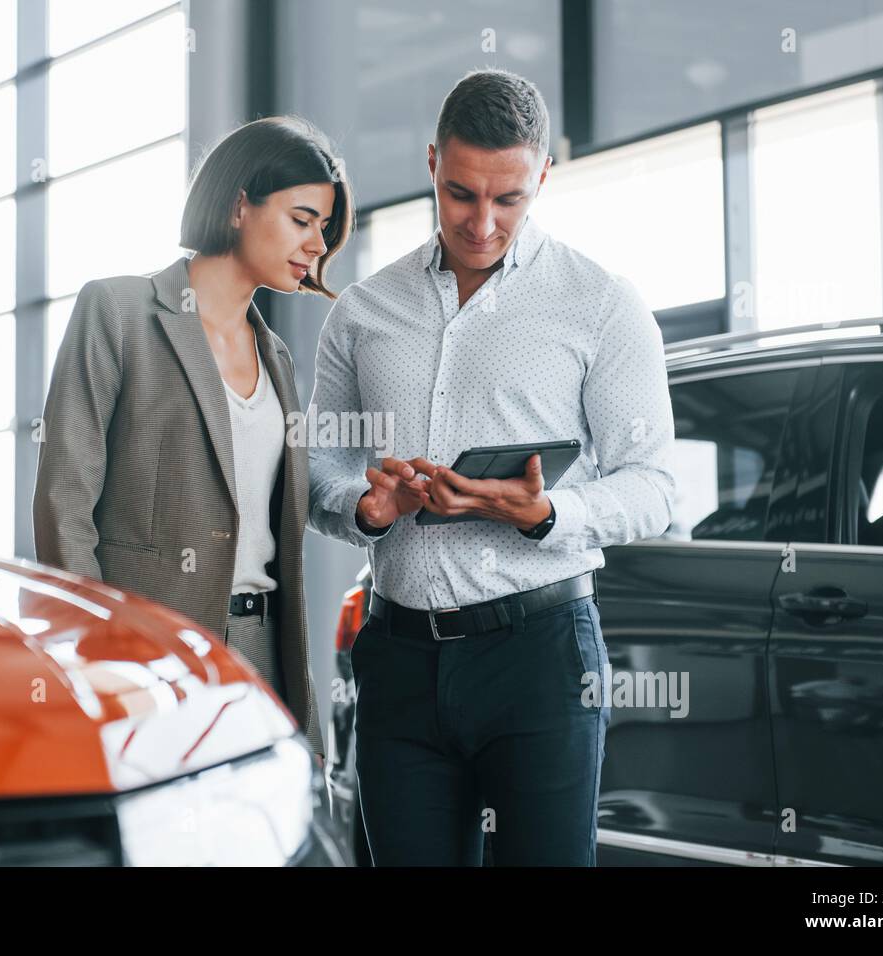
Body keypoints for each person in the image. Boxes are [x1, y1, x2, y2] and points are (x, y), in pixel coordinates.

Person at [307, 68, 676, 864]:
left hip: (539, 657)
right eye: (461, 193)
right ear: (432, 163)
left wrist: (544, 514)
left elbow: (654, 487)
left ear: (542, 176)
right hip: (399, 658)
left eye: (508, 199)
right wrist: (369, 509)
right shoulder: (362, 312)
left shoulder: (601, 303)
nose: (481, 222)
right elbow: (319, 471)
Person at [34, 116, 354, 766]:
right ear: (240, 204)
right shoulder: (117, 314)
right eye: (301, 219)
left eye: (323, 228)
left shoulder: (280, 358)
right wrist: (102, 656)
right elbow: (64, 508)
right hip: (147, 654)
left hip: (265, 655)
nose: (317, 244)